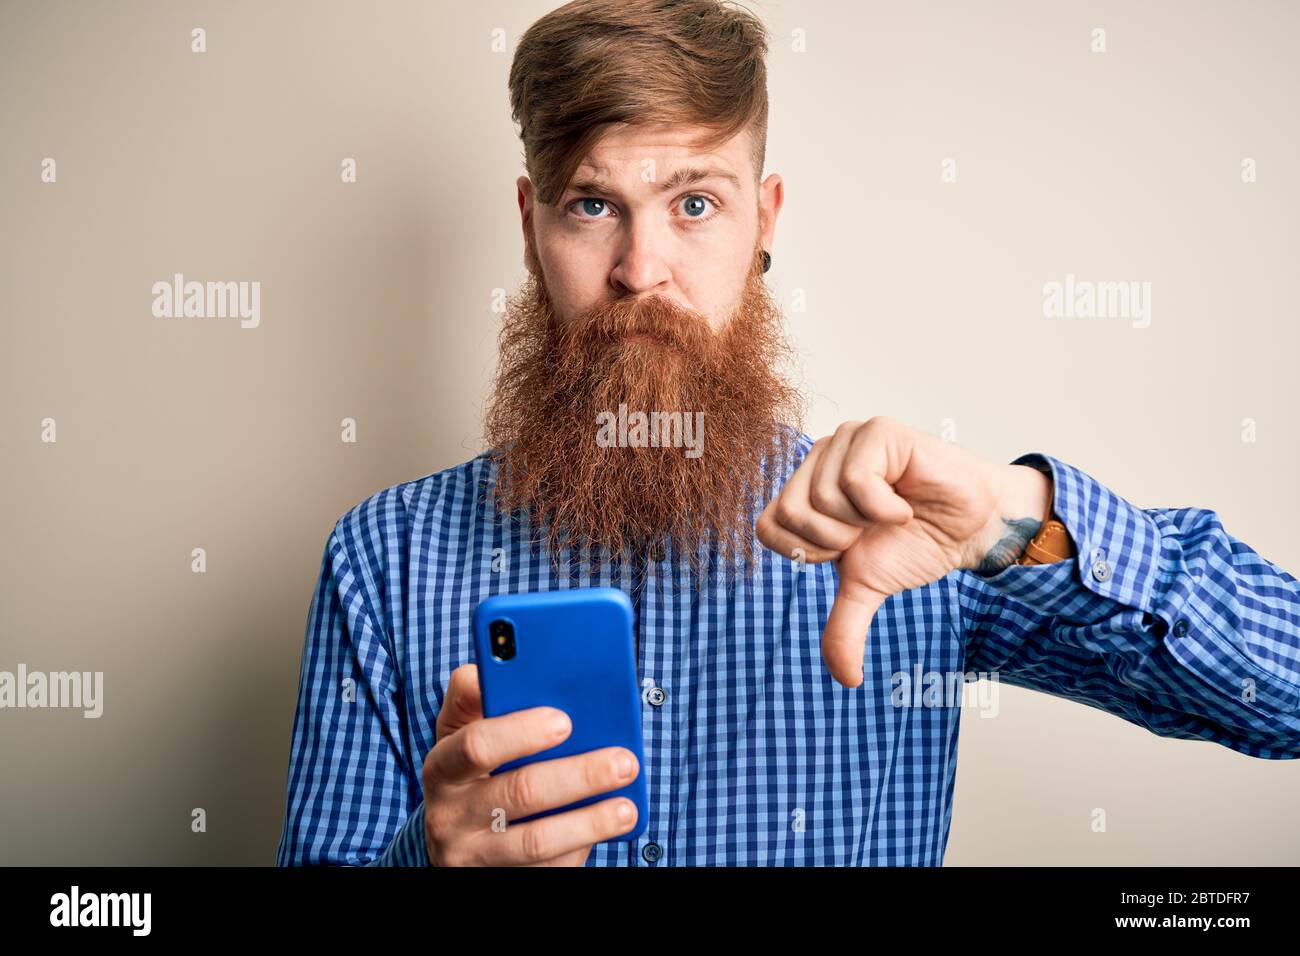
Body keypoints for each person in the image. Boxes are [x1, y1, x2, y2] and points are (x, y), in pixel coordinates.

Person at [275, 0, 1300, 867]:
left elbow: (1283, 691)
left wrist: (1009, 517)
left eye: (694, 203)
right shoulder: (384, 558)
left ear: (764, 219)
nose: (641, 269)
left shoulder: (909, 538)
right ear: (529, 222)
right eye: (593, 204)